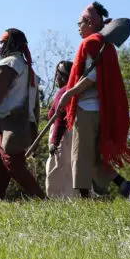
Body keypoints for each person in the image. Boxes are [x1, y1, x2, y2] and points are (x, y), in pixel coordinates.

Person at [57, 2, 130, 198]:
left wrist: (68, 94)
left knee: (81, 158)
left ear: (88, 22)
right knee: (94, 160)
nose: (77, 27)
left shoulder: (91, 43)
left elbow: (92, 77)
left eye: (79, 23)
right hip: (102, 111)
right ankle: (126, 186)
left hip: (86, 109)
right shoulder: (105, 46)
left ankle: (85, 202)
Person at [0, 28, 46, 199]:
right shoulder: (27, 68)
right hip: (21, 122)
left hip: (9, 122)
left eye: (2, 42)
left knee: (13, 164)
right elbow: (35, 105)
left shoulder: (10, 63)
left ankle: (42, 199)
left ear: (11, 43)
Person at [45, 61, 79, 198]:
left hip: (62, 134)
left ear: (61, 77)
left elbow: (59, 117)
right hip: (72, 133)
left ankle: (56, 197)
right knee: (69, 168)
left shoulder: (64, 92)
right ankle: (71, 197)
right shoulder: (75, 90)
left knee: (57, 167)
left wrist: (55, 140)